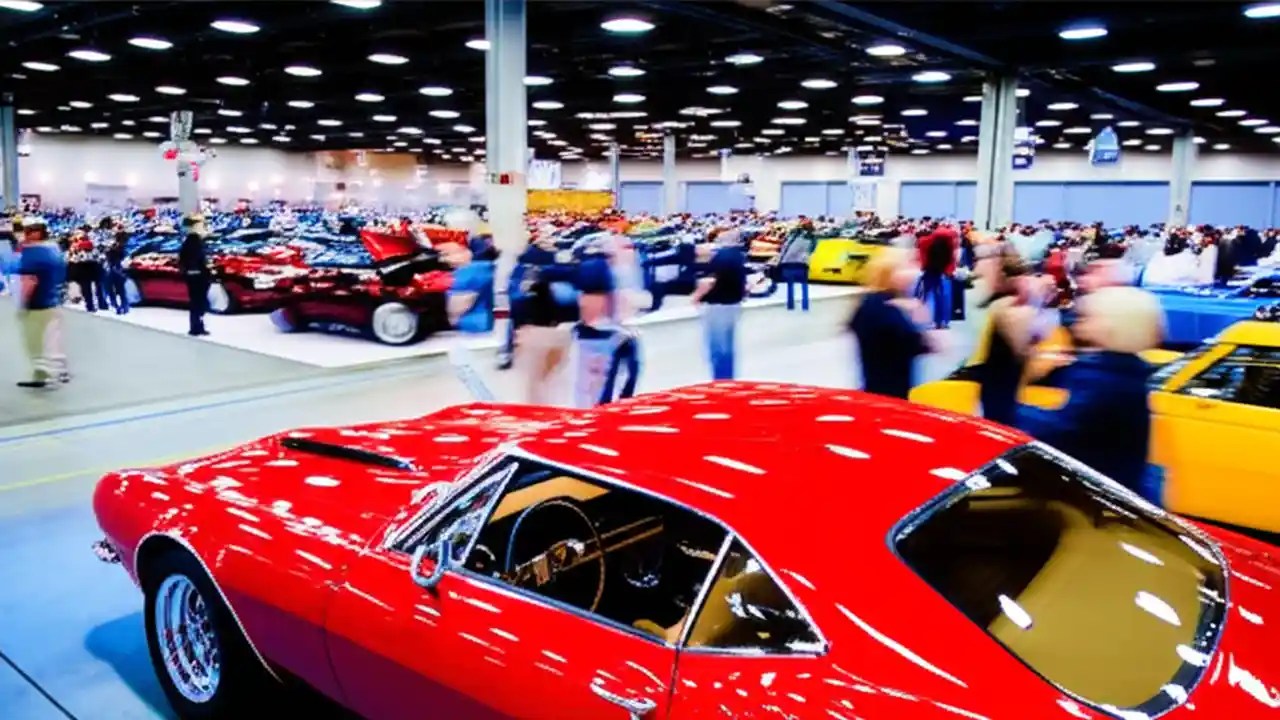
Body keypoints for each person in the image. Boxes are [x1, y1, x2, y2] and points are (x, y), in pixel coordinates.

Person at [1017, 286, 1164, 501]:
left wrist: (1010, 411)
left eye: (1089, 317)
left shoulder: (1106, 378)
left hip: (1099, 495)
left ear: (1112, 326)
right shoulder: (1127, 370)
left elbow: (1059, 431)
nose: (1078, 321)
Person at [849, 247, 936, 399]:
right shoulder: (887, 310)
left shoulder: (870, 302)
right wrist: (919, 320)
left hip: (874, 386)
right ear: (889, 273)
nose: (913, 272)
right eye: (905, 267)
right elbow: (918, 344)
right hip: (891, 393)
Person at [971, 255, 1037, 426]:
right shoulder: (1009, 309)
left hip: (996, 376)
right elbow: (1021, 350)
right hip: (1003, 379)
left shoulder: (1002, 306)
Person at [14, 218, 69, 388]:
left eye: (27, 231)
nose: (24, 235)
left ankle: (43, 375)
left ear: (35, 232)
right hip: (55, 300)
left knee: (35, 341)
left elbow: (29, 280)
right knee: (53, 338)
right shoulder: (55, 248)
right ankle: (59, 371)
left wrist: (23, 304)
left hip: (38, 303)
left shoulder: (32, 253)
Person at [691, 229, 747, 380]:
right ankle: (728, 379)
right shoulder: (738, 256)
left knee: (717, 348)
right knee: (728, 347)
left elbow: (709, 281)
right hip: (733, 305)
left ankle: (719, 380)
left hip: (718, 306)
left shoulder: (721, 257)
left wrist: (696, 297)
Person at [916, 225, 957, 329]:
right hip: (943, 273)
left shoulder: (925, 242)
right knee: (943, 297)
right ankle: (943, 321)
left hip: (929, 272)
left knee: (925, 296)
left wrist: (923, 267)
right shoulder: (949, 243)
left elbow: (922, 256)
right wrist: (949, 271)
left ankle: (924, 320)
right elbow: (951, 259)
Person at [178, 225, 210, 336]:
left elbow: (181, 264)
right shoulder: (200, 251)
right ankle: (199, 327)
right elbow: (204, 264)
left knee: (194, 303)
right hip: (200, 278)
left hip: (191, 278)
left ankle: (194, 327)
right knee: (200, 303)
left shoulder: (184, 251)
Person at [104, 228, 130, 315]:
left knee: (111, 290)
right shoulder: (124, 249)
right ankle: (124, 306)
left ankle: (116, 306)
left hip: (111, 270)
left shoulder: (111, 247)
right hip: (119, 270)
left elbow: (106, 256)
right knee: (121, 290)